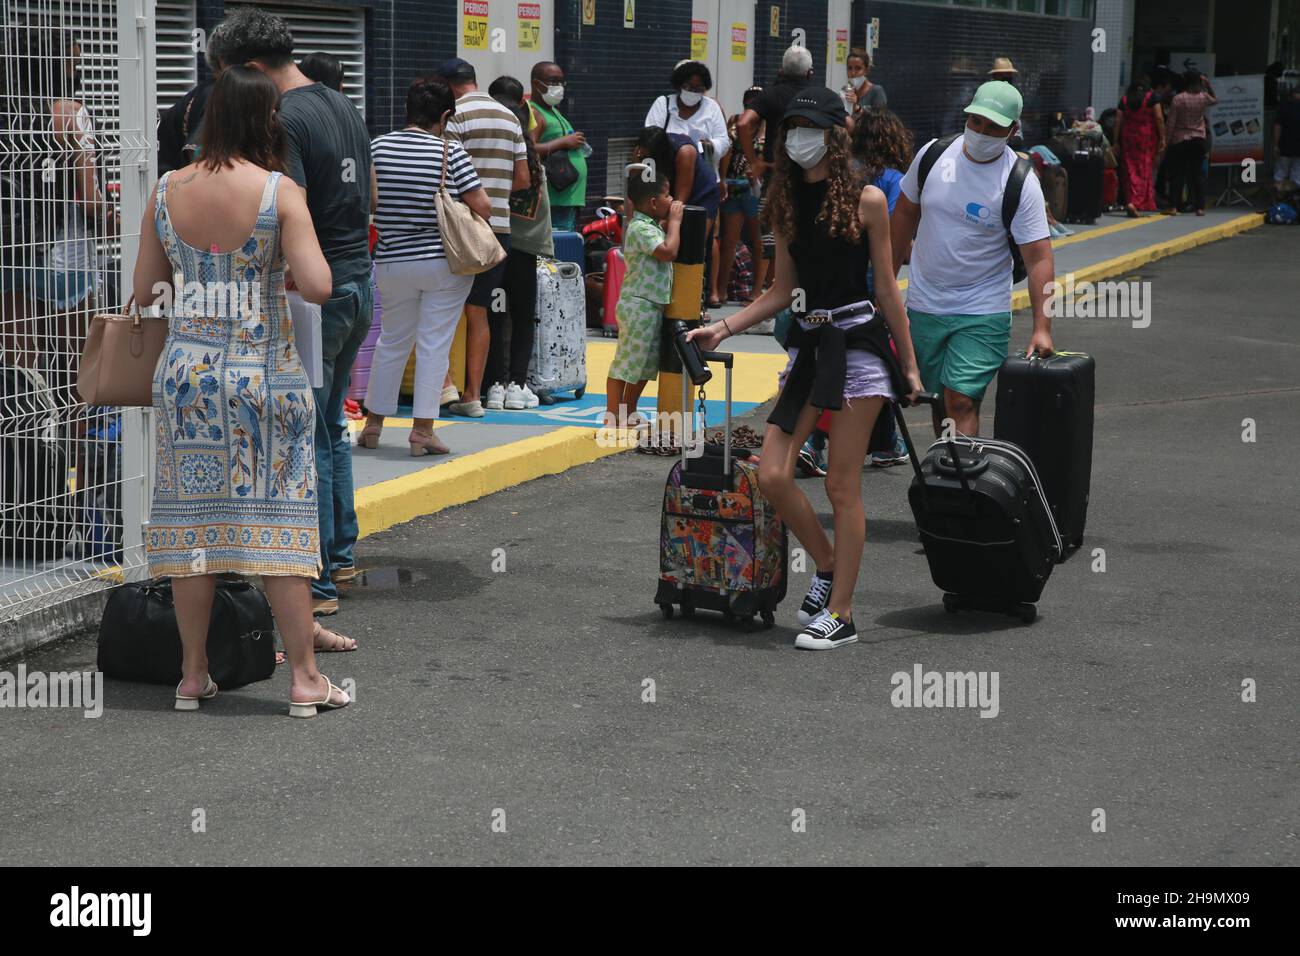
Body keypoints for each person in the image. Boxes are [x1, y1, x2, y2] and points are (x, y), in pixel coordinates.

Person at [131, 65, 349, 717]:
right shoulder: (279, 192)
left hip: (188, 379)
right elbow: (317, 286)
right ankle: (306, 680)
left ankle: (193, 675)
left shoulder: (167, 189)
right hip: (263, 378)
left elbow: (145, 293)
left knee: (194, 528)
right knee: (280, 530)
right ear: (266, 122)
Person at [688, 87, 923, 651]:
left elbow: (887, 289)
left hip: (860, 345)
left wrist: (909, 367)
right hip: (812, 344)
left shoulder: (868, 200)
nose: (797, 138)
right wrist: (721, 328)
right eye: (790, 129)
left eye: (808, 127)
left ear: (834, 135)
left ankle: (841, 613)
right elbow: (781, 290)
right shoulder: (785, 202)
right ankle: (825, 564)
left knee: (843, 485)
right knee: (772, 474)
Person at [210, 7, 375, 620]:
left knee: (305, 436)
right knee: (330, 430)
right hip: (357, 283)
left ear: (249, 70)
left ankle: (320, 582)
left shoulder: (283, 119)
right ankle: (340, 559)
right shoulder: (339, 102)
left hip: (314, 296)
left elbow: (290, 209)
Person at [889, 81, 1055, 439]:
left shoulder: (1020, 180)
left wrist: (1043, 327)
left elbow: (1039, 256)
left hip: (982, 308)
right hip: (925, 303)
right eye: (976, 122)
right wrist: (885, 282)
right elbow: (904, 213)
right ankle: (950, 477)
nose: (981, 132)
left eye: (994, 127)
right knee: (937, 401)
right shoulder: (933, 155)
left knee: (961, 399)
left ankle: (965, 480)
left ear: (1013, 131)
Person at [360, 76, 488, 456]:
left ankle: (372, 425)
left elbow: (371, 200)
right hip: (439, 264)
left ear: (407, 110)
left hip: (391, 261)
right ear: (445, 115)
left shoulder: (377, 146)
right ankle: (422, 432)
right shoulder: (449, 151)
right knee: (434, 343)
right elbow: (482, 205)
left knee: (391, 341)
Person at [437, 58, 530, 418]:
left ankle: (444, 387)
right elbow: (522, 178)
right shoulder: (509, 116)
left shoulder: (454, 114)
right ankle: (473, 395)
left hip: (461, 227)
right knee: (480, 313)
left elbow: (446, 169)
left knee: (443, 309)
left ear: (448, 85)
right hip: (499, 231)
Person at [851, 108, 913, 468]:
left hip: (840, 279)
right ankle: (887, 442)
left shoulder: (846, 174)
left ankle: (814, 440)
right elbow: (893, 235)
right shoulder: (893, 180)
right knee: (879, 358)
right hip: (876, 278)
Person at [486, 76, 552, 411]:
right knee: (524, 317)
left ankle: (494, 384)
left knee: (495, 313)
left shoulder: (488, 153)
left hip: (494, 246)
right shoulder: (532, 156)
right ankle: (517, 383)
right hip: (525, 251)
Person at [604, 166, 683, 429]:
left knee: (645, 364)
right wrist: (675, 223)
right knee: (627, 362)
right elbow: (668, 251)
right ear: (653, 202)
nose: (671, 201)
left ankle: (630, 410)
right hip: (638, 305)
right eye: (667, 196)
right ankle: (613, 414)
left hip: (651, 305)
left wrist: (667, 223)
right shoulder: (639, 228)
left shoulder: (649, 225)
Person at [632, 126, 720, 311]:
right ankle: (670, 296)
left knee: (694, 245)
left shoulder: (684, 151)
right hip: (667, 192)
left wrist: (666, 222)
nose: (642, 158)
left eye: (647, 157)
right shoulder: (643, 152)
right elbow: (639, 187)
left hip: (699, 193)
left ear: (660, 153)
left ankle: (697, 303)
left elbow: (680, 197)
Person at [713, 88, 767, 305]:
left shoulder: (768, 125)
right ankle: (721, 290)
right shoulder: (735, 121)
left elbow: (768, 155)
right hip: (734, 187)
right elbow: (726, 150)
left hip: (756, 189)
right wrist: (722, 179)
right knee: (729, 241)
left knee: (759, 241)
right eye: (748, 104)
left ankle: (755, 292)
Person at [528, 61, 587, 231]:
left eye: (561, 82)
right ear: (536, 84)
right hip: (557, 198)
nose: (559, 87)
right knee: (560, 248)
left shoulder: (553, 110)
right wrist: (563, 142)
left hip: (568, 197)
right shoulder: (535, 112)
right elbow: (529, 149)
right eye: (553, 81)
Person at [643, 60, 729, 173]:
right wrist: (678, 146)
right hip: (668, 175)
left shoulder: (711, 107)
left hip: (703, 177)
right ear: (679, 86)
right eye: (688, 87)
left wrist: (704, 146)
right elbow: (650, 139)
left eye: (698, 89)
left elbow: (723, 142)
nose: (693, 92)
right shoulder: (663, 104)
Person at [1164, 71, 1217, 216]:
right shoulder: (1203, 97)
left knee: (1178, 174)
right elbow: (1215, 100)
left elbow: (1171, 123)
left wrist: (1166, 141)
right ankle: (1200, 207)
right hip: (1199, 139)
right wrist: (1208, 85)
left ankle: (1174, 206)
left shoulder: (1178, 99)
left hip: (1180, 139)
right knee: (1197, 174)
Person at [1115, 78, 1166, 217]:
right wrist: (1162, 137)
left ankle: (1132, 200)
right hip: (1146, 137)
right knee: (1144, 170)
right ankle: (1136, 202)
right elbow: (1159, 118)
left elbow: (1118, 120)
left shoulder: (1125, 100)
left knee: (1130, 170)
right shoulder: (1152, 98)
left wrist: (1115, 141)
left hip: (1128, 137)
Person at [1272, 84, 1300, 199]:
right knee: (1297, 176)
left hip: (1285, 146)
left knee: (1280, 174)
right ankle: (1294, 201)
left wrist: (1275, 144)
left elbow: (1277, 126)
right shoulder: (1285, 107)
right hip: (1296, 148)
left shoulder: (1284, 107)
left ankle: (1278, 200)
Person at [842, 49, 886, 120]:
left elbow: (880, 120)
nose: (853, 73)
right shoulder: (845, 90)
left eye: (858, 68)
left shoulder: (876, 91)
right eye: (850, 68)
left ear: (866, 70)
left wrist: (856, 107)